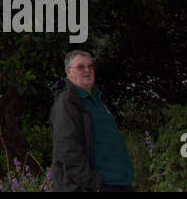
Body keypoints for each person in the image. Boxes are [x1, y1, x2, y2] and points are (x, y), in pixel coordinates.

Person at [49, 50, 135, 191]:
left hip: (119, 183)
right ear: (68, 72)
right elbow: (68, 151)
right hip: (96, 186)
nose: (87, 70)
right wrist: (94, 184)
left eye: (91, 66)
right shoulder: (67, 103)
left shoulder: (96, 99)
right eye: (81, 67)